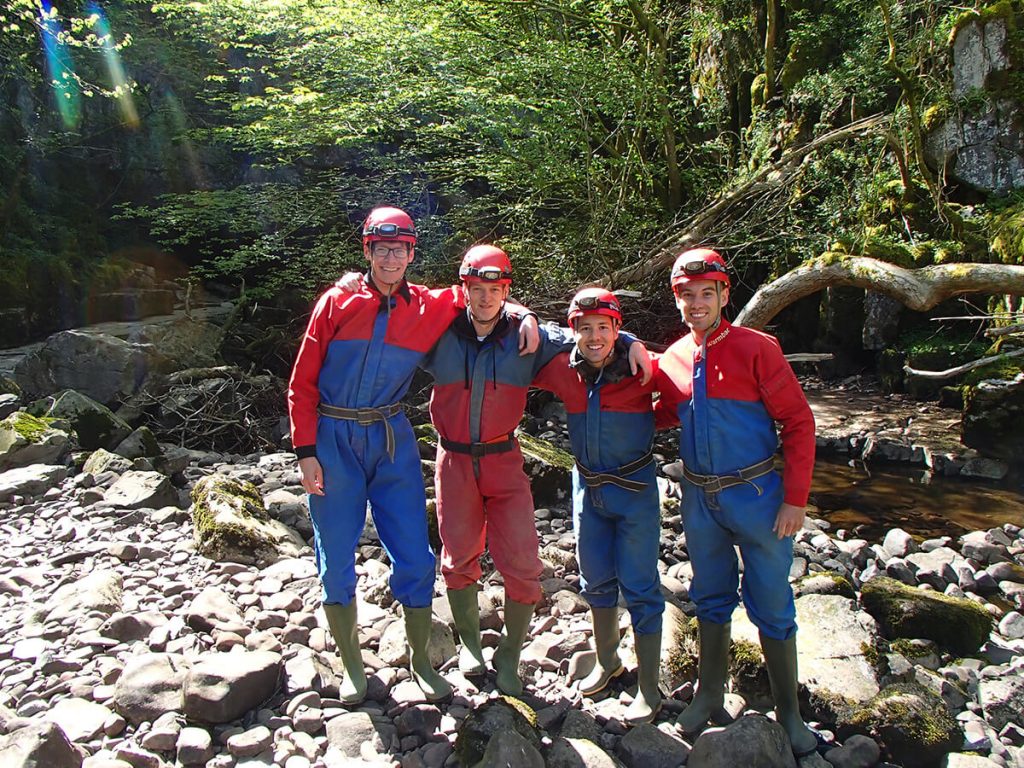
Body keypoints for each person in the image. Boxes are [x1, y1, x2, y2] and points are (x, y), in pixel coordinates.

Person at [337, 246, 651, 697]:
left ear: (507, 290)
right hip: (454, 461)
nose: (485, 299)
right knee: (458, 558)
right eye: (476, 289)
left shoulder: (528, 338)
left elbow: (587, 337)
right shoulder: (439, 328)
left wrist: (630, 341)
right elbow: (391, 307)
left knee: (523, 564)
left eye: (496, 290)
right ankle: (470, 646)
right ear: (463, 288)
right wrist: (352, 286)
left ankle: (508, 656)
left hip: (505, 459)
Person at [287, 207, 538, 705]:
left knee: (417, 556)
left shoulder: (428, 306)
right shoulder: (335, 303)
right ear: (367, 250)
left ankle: (421, 659)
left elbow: (487, 299)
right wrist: (305, 451)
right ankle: (354, 667)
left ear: (411, 253)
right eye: (381, 248)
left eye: (400, 249)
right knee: (336, 557)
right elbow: (302, 382)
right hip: (334, 436)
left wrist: (526, 313)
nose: (390, 257)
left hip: (392, 437)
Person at [654, 248, 818, 757]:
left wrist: (795, 500)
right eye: (687, 295)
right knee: (710, 596)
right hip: (700, 499)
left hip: (759, 497)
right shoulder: (673, 358)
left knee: (771, 600)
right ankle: (708, 694)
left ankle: (788, 712)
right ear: (676, 299)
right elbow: (659, 414)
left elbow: (799, 422)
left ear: (726, 295)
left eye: (708, 293)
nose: (697, 303)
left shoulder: (757, 349)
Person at [532, 287, 664, 726]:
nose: (594, 337)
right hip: (588, 490)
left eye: (604, 329)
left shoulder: (644, 370)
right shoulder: (560, 370)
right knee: (594, 581)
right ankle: (608, 663)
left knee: (642, 587)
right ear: (574, 331)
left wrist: (635, 345)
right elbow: (516, 326)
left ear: (616, 329)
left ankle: (649, 688)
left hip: (635, 493)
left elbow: (690, 394)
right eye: (584, 328)